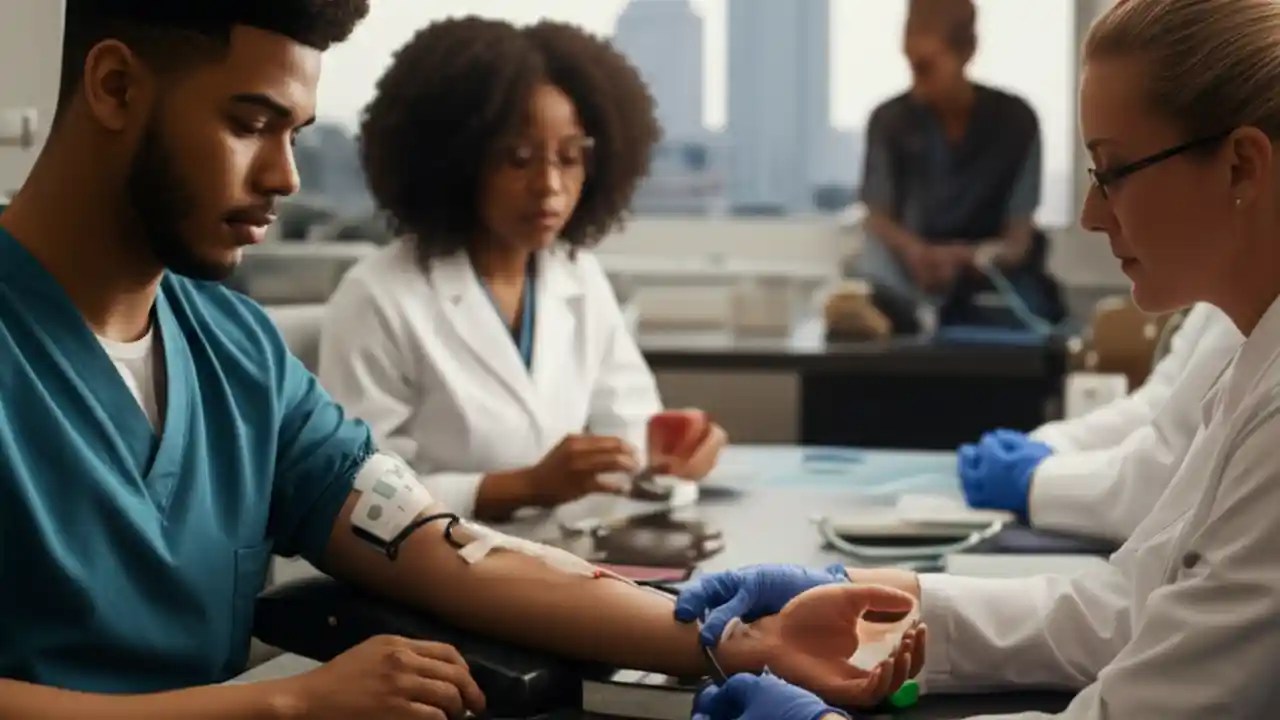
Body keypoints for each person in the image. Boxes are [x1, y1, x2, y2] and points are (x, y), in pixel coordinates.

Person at [0, 2, 921, 716]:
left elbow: (440, 548)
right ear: (115, 88)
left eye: (295, 133)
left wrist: (737, 642)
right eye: (250, 123)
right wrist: (280, 704)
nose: (284, 175)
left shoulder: (236, 353)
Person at [682, 0, 1280, 716]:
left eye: (1113, 171)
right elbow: (1131, 608)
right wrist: (887, 601)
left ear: (1242, 166)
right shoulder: (1252, 365)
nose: (1091, 213)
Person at [317, 17, 727, 522]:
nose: (550, 186)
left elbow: (629, 442)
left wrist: (670, 462)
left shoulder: (577, 276)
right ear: (457, 160)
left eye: (571, 157)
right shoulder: (378, 296)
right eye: (518, 158)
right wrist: (523, 487)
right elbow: (356, 497)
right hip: (427, 581)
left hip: (562, 562)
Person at [855, 0, 1064, 329]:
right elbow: (877, 217)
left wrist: (968, 258)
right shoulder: (890, 121)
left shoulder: (1016, 123)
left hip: (989, 279)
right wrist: (916, 253)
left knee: (1031, 311)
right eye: (911, 66)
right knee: (870, 286)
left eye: (927, 68)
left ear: (967, 51)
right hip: (907, 278)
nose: (918, 86)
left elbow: (1018, 238)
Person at [959, 303, 1243, 540]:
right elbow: (1159, 406)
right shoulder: (1223, 298)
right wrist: (1049, 445)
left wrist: (1037, 478)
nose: (1097, 231)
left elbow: (1169, 491)